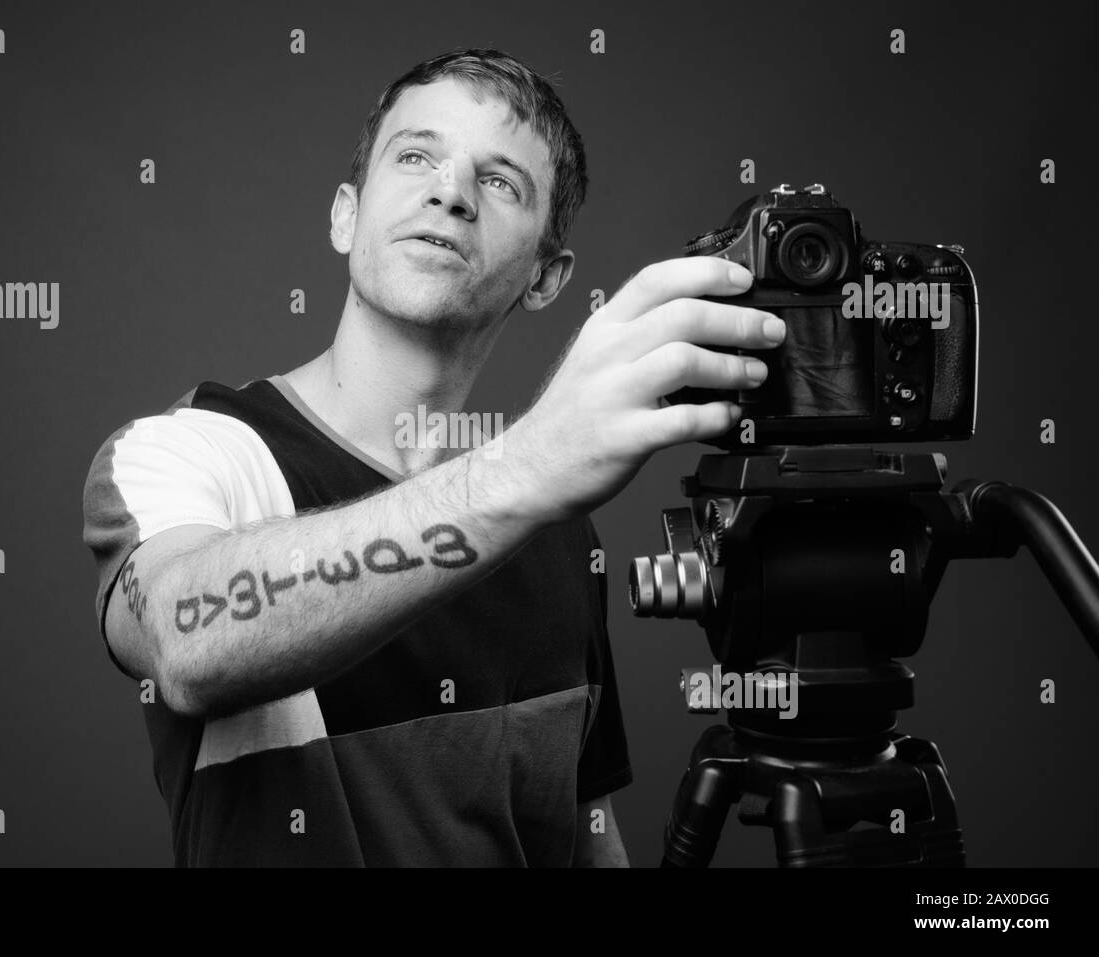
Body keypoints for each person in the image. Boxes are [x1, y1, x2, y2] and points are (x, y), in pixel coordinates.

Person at [81, 47, 784, 867]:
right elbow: (185, 646)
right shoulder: (190, 451)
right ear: (345, 215)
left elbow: (581, 826)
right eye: (415, 155)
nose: (450, 191)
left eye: (500, 182)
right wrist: (523, 469)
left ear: (546, 278)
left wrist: (529, 479)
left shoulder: (556, 524)